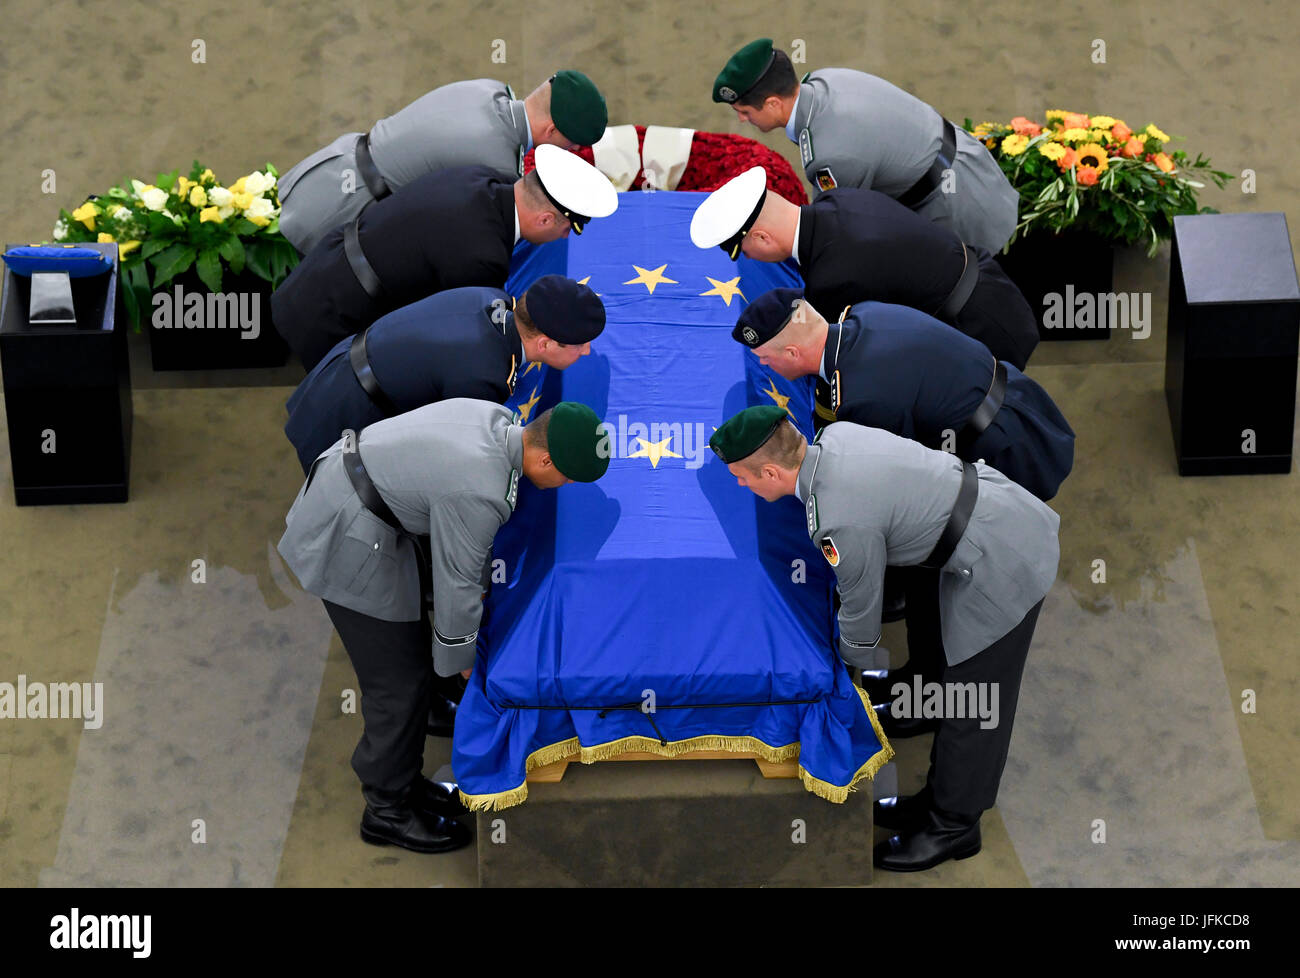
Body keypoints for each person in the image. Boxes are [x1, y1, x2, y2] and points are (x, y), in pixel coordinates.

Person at [710, 405, 1059, 871]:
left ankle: (955, 826)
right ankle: (937, 798)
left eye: (742, 477)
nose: (740, 486)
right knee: (953, 683)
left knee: (971, 702)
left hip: (1004, 558)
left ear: (771, 471)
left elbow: (861, 612)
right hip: (994, 514)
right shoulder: (837, 440)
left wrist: (839, 666)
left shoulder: (837, 518)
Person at [277, 399, 610, 853]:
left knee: (410, 669)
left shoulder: (500, 420)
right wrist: (463, 662)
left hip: (360, 502)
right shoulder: (483, 488)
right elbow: (458, 587)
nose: (564, 485)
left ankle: (406, 784)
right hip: (348, 539)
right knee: (397, 686)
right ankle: (386, 810)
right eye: (567, 476)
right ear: (546, 458)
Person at [272, 144, 617, 371]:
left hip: (325, 264)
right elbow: (465, 334)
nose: (564, 237)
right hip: (333, 314)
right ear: (544, 218)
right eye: (566, 228)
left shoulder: (481, 176)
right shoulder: (481, 258)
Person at [690, 165, 1037, 369]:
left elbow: (853, 360)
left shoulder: (831, 278)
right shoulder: (836, 199)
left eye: (745, 250)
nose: (748, 259)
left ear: (763, 238)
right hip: (994, 286)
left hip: (983, 333)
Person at [711, 39, 1019, 254]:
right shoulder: (823, 81)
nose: (740, 119)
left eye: (745, 111)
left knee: (975, 296)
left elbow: (838, 229)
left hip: (953, 210)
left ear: (773, 103)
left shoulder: (829, 154)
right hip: (967, 163)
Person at [284, 275, 605, 473]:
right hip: (346, 414)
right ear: (546, 344)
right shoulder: (487, 376)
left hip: (339, 367)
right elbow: (446, 453)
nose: (587, 351)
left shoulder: (492, 299)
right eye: (580, 344)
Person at [278, 71, 608, 255]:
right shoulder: (497, 166)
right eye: (571, 144)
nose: (571, 151)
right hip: (340, 213)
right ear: (551, 130)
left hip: (326, 167)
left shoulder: (489, 89)